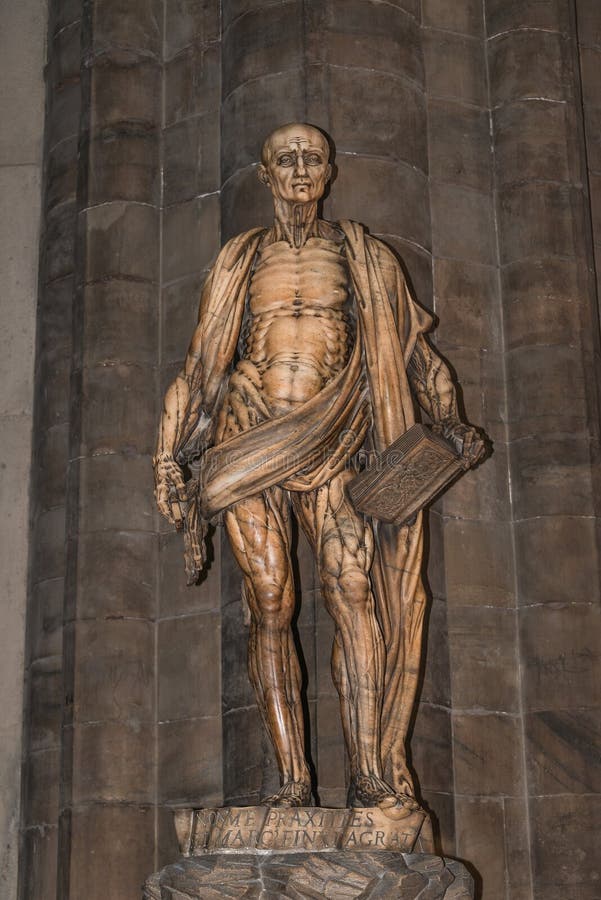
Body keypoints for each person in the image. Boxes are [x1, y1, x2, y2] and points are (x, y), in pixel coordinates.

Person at [154, 123, 485, 815]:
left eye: (311, 158)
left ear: (329, 171)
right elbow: (197, 367)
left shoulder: (363, 255)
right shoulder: (240, 258)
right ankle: (292, 780)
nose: (300, 170)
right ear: (266, 173)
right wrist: (165, 455)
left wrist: (447, 418)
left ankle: (368, 769)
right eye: (286, 160)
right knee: (270, 602)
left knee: (354, 587)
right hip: (247, 439)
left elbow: (412, 352)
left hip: (334, 433)